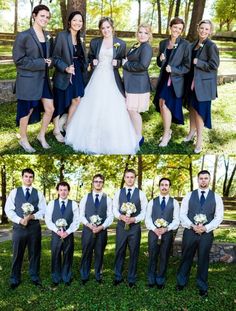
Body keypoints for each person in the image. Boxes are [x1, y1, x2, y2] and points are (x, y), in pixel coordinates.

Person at [65, 17, 138, 154]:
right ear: (100, 30)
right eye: (103, 28)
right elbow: (90, 57)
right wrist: (93, 62)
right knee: (93, 104)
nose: (105, 30)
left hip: (112, 77)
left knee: (113, 106)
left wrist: (119, 63)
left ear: (112, 28)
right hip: (97, 76)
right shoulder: (95, 42)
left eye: (108, 27)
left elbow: (123, 60)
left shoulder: (120, 44)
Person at [12, 5, 55, 152]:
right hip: (28, 80)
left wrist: (50, 61)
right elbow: (19, 60)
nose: (45, 19)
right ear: (34, 16)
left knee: (50, 109)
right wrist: (41, 62)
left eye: (47, 17)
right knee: (26, 111)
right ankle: (23, 139)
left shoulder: (48, 36)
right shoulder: (23, 36)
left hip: (43, 79)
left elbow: (49, 57)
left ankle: (41, 135)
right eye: (42, 15)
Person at [176, 170, 224, 297]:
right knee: (186, 256)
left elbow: (219, 217)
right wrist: (192, 225)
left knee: (203, 259)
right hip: (190, 232)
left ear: (209, 180)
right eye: (201, 178)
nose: (203, 180)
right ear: (198, 180)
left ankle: (202, 285)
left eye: (205, 178)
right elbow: (182, 214)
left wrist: (206, 227)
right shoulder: (189, 195)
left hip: (206, 234)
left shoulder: (216, 197)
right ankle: (181, 282)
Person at [5, 168, 46, 289]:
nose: (28, 179)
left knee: (35, 253)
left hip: (34, 228)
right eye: (26, 176)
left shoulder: (38, 193)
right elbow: (8, 209)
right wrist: (19, 220)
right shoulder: (14, 192)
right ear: (22, 177)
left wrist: (32, 216)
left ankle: (34, 277)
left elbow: (44, 210)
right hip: (19, 228)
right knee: (17, 253)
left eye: (31, 177)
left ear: (33, 178)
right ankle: (14, 279)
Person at [183, 20, 220, 154]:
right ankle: (191, 132)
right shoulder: (193, 45)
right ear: (198, 28)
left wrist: (199, 62)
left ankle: (199, 141)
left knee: (199, 112)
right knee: (192, 108)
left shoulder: (211, 46)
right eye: (202, 28)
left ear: (210, 31)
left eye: (206, 29)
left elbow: (214, 65)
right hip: (191, 83)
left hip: (203, 85)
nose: (204, 31)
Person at [153, 17, 191, 147]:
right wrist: (160, 58)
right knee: (161, 103)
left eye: (180, 29)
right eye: (175, 27)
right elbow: (159, 63)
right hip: (164, 78)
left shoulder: (185, 45)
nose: (177, 30)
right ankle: (168, 131)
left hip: (175, 80)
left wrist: (173, 69)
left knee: (164, 104)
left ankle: (166, 135)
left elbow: (187, 66)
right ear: (170, 27)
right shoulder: (163, 43)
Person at [52, 11, 87, 141]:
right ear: (69, 22)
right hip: (64, 72)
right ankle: (56, 130)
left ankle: (67, 125)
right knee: (60, 101)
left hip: (77, 71)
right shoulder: (62, 36)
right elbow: (55, 58)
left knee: (77, 99)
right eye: (75, 20)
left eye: (80, 21)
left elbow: (83, 56)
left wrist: (86, 64)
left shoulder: (80, 38)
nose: (77, 23)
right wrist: (65, 68)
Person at [113, 169, 148, 287]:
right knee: (119, 251)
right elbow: (114, 208)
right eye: (127, 177)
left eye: (132, 177)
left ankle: (131, 278)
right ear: (124, 178)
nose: (129, 179)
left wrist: (135, 219)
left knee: (134, 252)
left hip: (134, 227)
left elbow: (144, 211)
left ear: (135, 178)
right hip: (121, 226)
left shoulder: (141, 194)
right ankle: (118, 276)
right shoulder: (118, 192)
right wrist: (120, 216)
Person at [145, 178, 180, 288]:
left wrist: (167, 228)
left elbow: (176, 220)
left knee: (164, 256)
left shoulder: (174, 202)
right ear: (159, 186)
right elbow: (147, 218)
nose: (164, 187)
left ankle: (160, 279)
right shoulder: (152, 201)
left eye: (166, 185)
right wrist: (154, 228)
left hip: (167, 233)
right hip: (153, 233)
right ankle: (151, 279)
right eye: (162, 185)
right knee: (152, 256)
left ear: (169, 187)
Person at [79, 174, 113, 284]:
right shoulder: (85, 197)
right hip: (88, 231)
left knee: (99, 253)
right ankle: (85, 275)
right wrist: (88, 225)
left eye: (100, 181)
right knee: (86, 253)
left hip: (101, 231)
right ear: (93, 183)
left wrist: (102, 227)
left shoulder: (107, 199)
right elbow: (81, 214)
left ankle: (98, 275)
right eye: (96, 181)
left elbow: (110, 216)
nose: (98, 183)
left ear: (103, 183)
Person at [122, 24, 153, 147]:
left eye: (145, 33)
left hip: (138, 85)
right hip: (131, 83)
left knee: (133, 110)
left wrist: (126, 65)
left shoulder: (146, 47)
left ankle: (139, 137)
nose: (142, 35)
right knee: (130, 109)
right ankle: (133, 134)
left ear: (149, 35)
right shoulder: (137, 45)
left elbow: (143, 66)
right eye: (140, 32)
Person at [45, 181, 79, 286]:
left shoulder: (73, 204)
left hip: (68, 235)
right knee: (55, 256)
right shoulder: (51, 204)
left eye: (65, 190)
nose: (63, 192)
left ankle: (66, 277)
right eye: (61, 190)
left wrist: (68, 232)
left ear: (68, 191)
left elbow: (76, 220)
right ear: (57, 191)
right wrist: (57, 230)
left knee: (68, 256)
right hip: (56, 235)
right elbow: (48, 220)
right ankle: (56, 278)